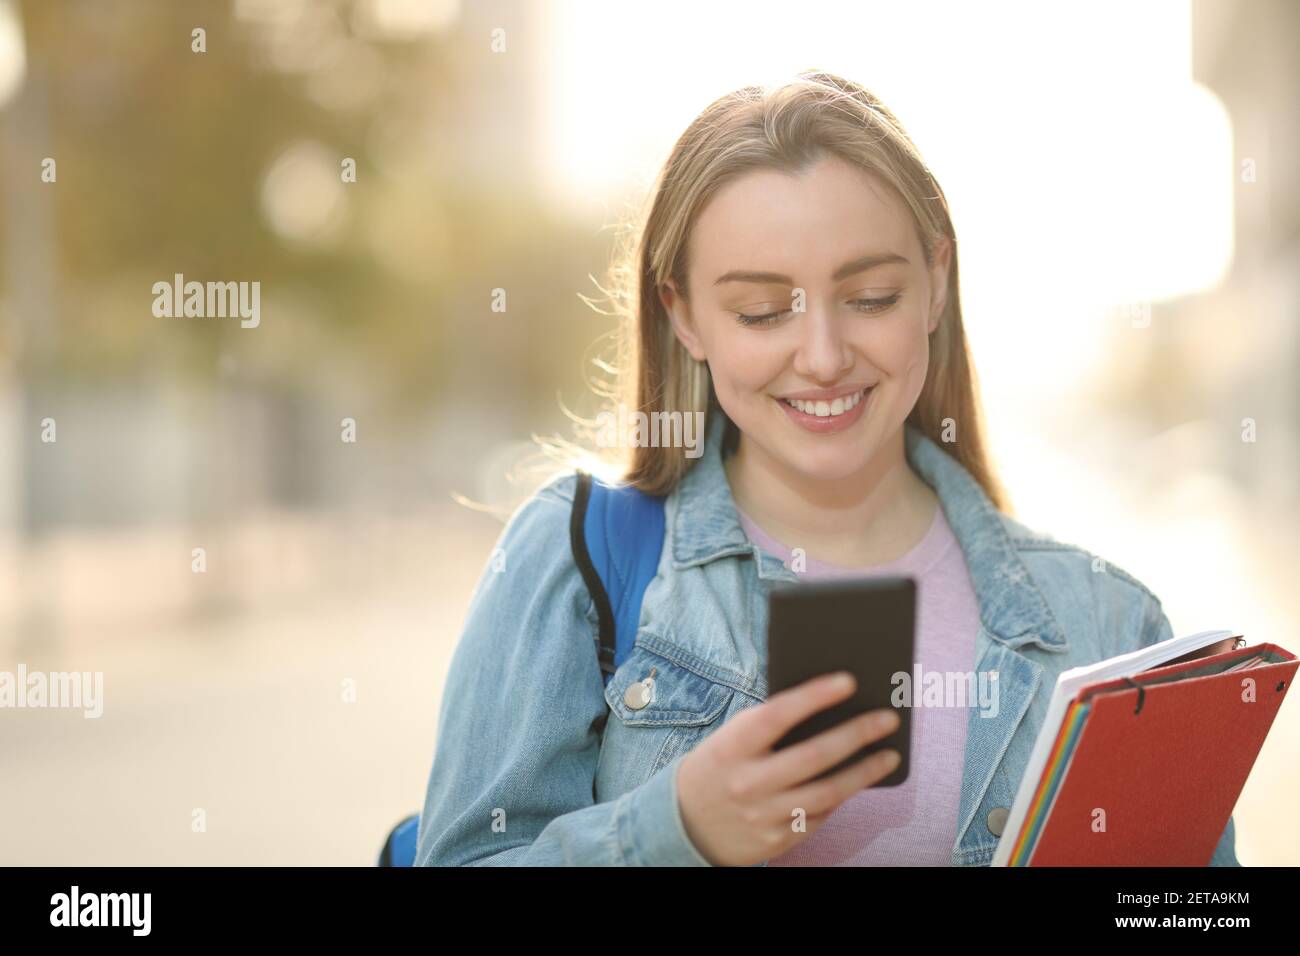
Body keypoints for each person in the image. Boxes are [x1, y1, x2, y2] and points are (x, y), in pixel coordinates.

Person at [413, 70, 1239, 867]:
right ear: (685, 315)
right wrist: (676, 831)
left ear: (936, 285)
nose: (822, 357)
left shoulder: (1110, 626)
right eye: (762, 312)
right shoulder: (574, 561)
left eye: (871, 297)